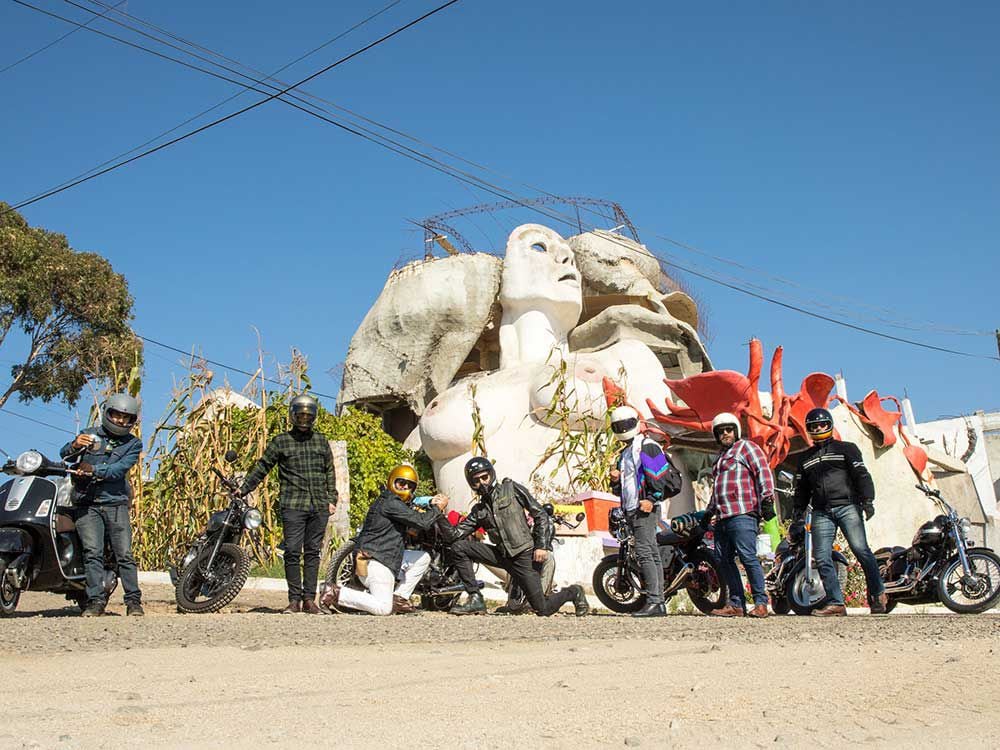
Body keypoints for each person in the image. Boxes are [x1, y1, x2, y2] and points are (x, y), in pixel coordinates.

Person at [446, 457, 589, 617]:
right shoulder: (479, 510)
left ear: (491, 475)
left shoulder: (511, 489)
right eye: (476, 480)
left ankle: (574, 592)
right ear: (471, 484)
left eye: (484, 477)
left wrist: (541, 545)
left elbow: (540, 514)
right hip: (502, 556)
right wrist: (437, 513)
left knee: (542, 609)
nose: (482, 483)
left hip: (523, 555)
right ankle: (475, 598)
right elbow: (455, 535)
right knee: (459, 547)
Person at [239, 394, 336, 614]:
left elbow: (329, 471)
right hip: (293, 503)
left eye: (307, 416)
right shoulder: (281, 441)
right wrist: (244, 488)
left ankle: (310, 600)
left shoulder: (321, 440)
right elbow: (263, 467)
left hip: (319, 504)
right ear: (293, 415)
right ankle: (294, 600)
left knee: (312, 552)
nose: (303, 419)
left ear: (313, 417)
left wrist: (332, 498)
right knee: (292, 551)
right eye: (300, 415)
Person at [321, 464, 452, 616]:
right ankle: (335, 592)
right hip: (376, 560)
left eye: (409, 485)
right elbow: (421, 522)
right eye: (401, 482)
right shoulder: (391, 503)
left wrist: (430, 501)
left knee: (423, 557)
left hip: (383, 556)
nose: (405, 487)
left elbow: (414, 500)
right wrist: (438, 508)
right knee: (383, 608)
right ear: (392, 481)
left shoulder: (391, 500)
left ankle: (400, 598)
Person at [793, 407, 888, 616]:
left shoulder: (847, 448)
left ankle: (878, 594)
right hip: (821, 512)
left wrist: (867, 500)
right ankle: (836, 603)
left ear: (830, 425)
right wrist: (797, 511)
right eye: (813, 425)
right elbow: (801, 489)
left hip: (848, 506)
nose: (818, 428)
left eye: (822, 424)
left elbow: (861, 474)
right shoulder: (804, 458)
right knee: (822, 556)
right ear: (808, 429)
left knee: (860, 549)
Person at [61, 393, 144, 617]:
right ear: (108, 413)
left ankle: (133, 602)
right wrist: (74, 446)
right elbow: (66, 457)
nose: (121, 421)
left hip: (115, 504)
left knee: (124, 554)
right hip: (87, 503)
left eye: (127, 419)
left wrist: (94, 470)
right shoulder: (89, 434)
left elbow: (119, 469)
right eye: (117, 416)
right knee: (92, 553)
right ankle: (95, 602)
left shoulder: (133, 444)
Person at [608, 405, 683, 617]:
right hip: (632, 508)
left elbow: (657, 476)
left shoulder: (647, 446)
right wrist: (615, 480)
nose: (622, 428)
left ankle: (655, 601)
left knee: (645, 552)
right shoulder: (626, 453)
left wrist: (652, 498)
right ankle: (657, 601)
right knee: (650, 552)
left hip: (644, 509)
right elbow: (622, 488)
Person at [703, 412, 776, 618]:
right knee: (723, 559)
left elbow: (763, 471)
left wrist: (767, 499)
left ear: (736, 431)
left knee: (747, 557)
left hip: (743, 513)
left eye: (728, 429)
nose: (725, 434)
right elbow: (718, 488)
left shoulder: (747, 448)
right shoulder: (719, 459)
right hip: (723, 516)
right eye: (721, 431)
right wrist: (709, 511)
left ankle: (761, 603)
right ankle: (736, 604)